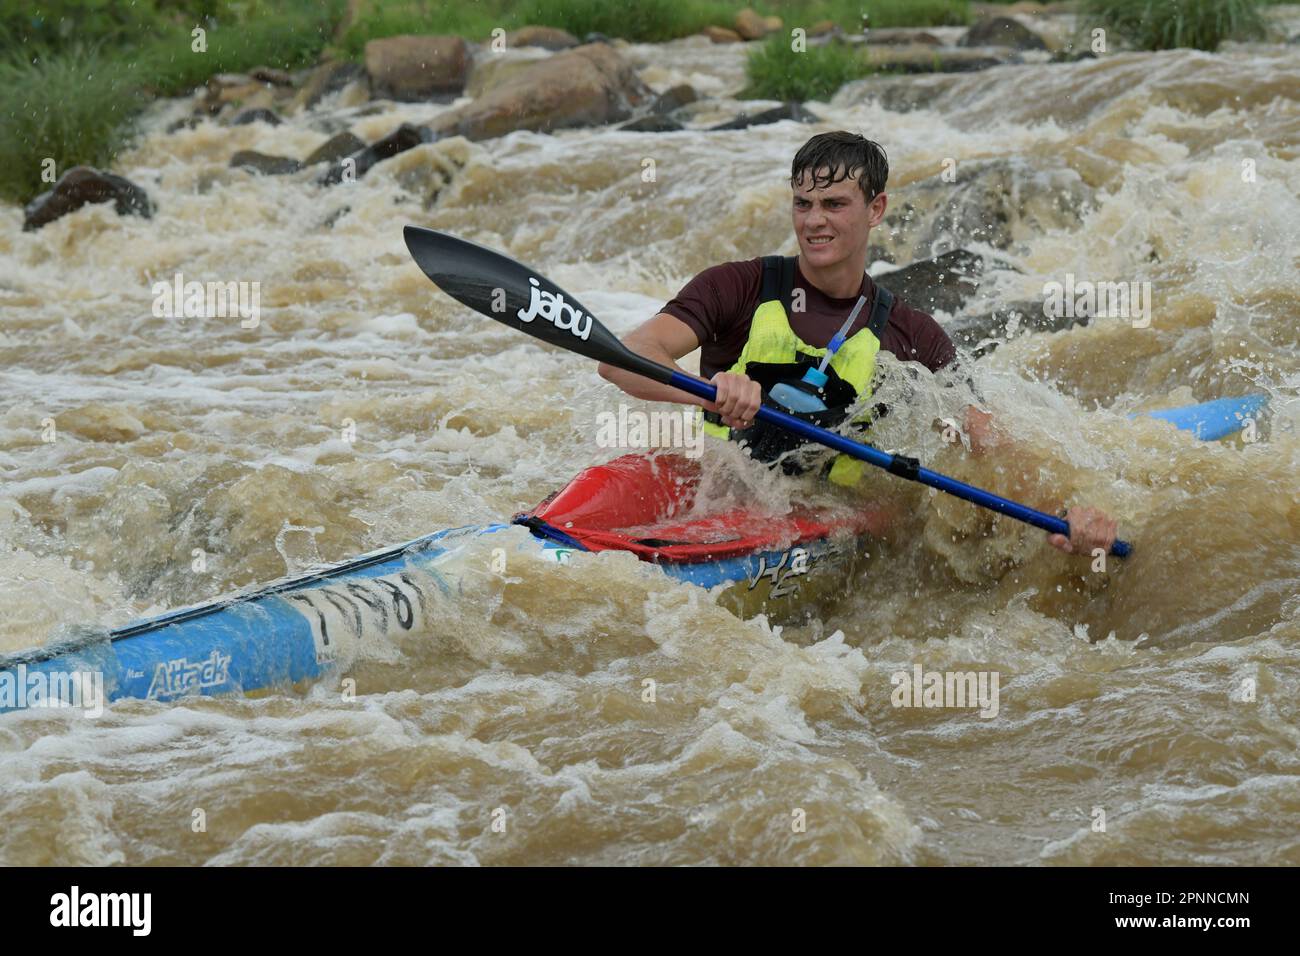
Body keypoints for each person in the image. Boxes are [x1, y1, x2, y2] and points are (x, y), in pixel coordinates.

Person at [598, 131, 1117, 556]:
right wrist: (707, 389)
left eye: (833, 203)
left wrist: (1066, 509)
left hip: (825, 516)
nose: (813, 220)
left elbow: (990, 445)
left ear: (876, 209)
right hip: (716, 493)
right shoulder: (737, 287)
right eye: (803, 204)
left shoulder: (912, 335)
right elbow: (622, 361)